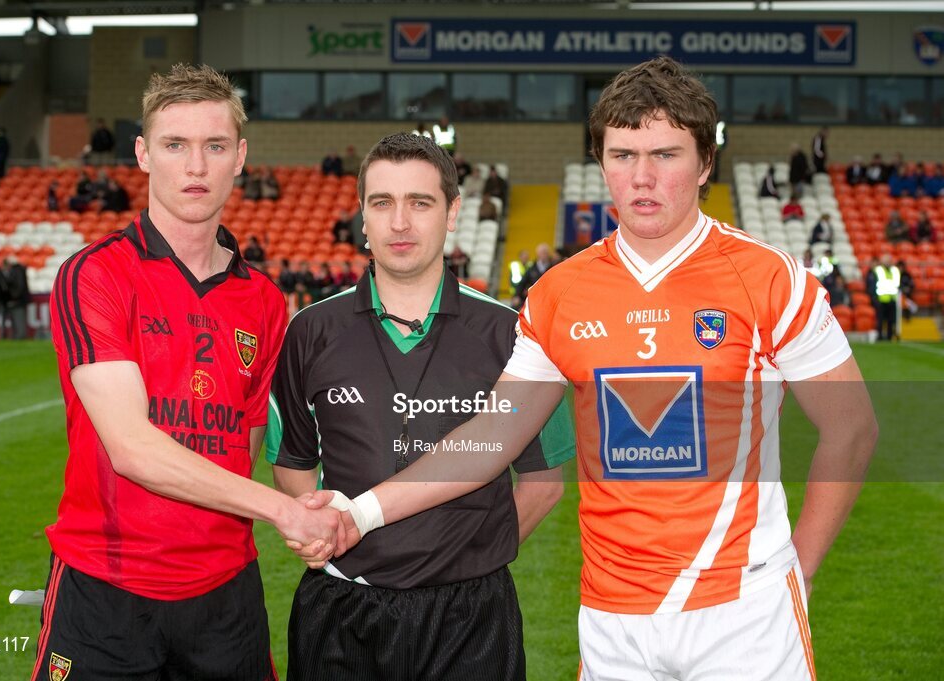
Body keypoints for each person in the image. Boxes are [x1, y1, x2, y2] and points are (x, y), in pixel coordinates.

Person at [304, 57, 877, 681]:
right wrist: (360, 514)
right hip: (613, 618)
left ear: (705, 162)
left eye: (666, 154)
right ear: (601, 162)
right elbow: (488, 441)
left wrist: (804, 564)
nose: (643, 178)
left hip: (744, 609)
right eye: (624, 155)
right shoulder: (560, 294)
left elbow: (851, 427)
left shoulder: (770, 280)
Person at [30, 64, 343, 681]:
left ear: (240, 157)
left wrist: (321, 510)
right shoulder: (95, 275)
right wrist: (286, 512)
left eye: (215, 146)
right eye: (175, 145)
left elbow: (242, 449)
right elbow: (132, 449)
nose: (196, 166)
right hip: (106, 590)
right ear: (144, 154)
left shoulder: (263, 299)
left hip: (226, 596)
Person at [267, 132, 572, 681]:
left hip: (471, 618)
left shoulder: (513, 335)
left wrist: (469, 556)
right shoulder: (310, 331)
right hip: (343, 608)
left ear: (452, 212)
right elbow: (291, 461)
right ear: (362, 217)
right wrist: (323, 529)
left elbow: (545, 482)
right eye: (382, 203)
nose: (400, 223)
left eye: (420, 203)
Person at [874, 254, 901, 341]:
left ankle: (889, 336)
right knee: (880, 320)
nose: (888, 263)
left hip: (892, 299)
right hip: (881, 299)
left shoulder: (895, 270)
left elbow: (897, 284)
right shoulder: (879, 270)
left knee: (891, 320)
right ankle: (880, 336)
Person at [3, 256, 31, 339]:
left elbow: (19, 286)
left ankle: (20, 335)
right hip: (20, 299)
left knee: (18, 318)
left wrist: (14, 297)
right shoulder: (20, 270)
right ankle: (19, 335)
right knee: (18, 318)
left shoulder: (16, 271)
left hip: (18, 300)